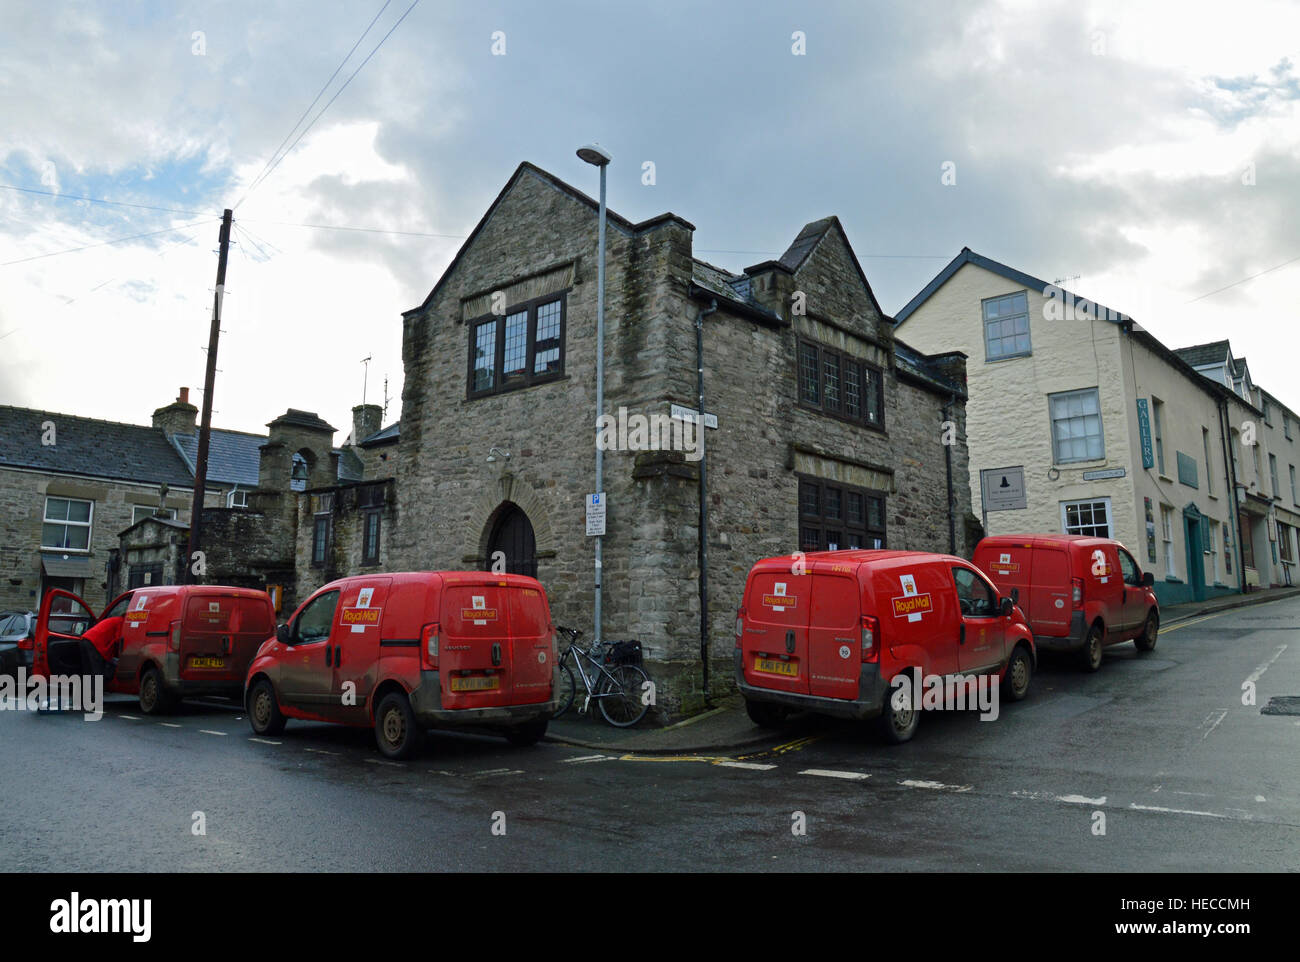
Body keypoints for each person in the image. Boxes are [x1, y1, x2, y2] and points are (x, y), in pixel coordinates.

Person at [79, 614, 124, 681]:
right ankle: (96, 691)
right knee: (97, 671)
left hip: (84, 639)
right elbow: (118, 640)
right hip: (94, 643)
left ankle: (88, 690)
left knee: (88, 670)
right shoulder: (121, 621)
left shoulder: (114, 619)